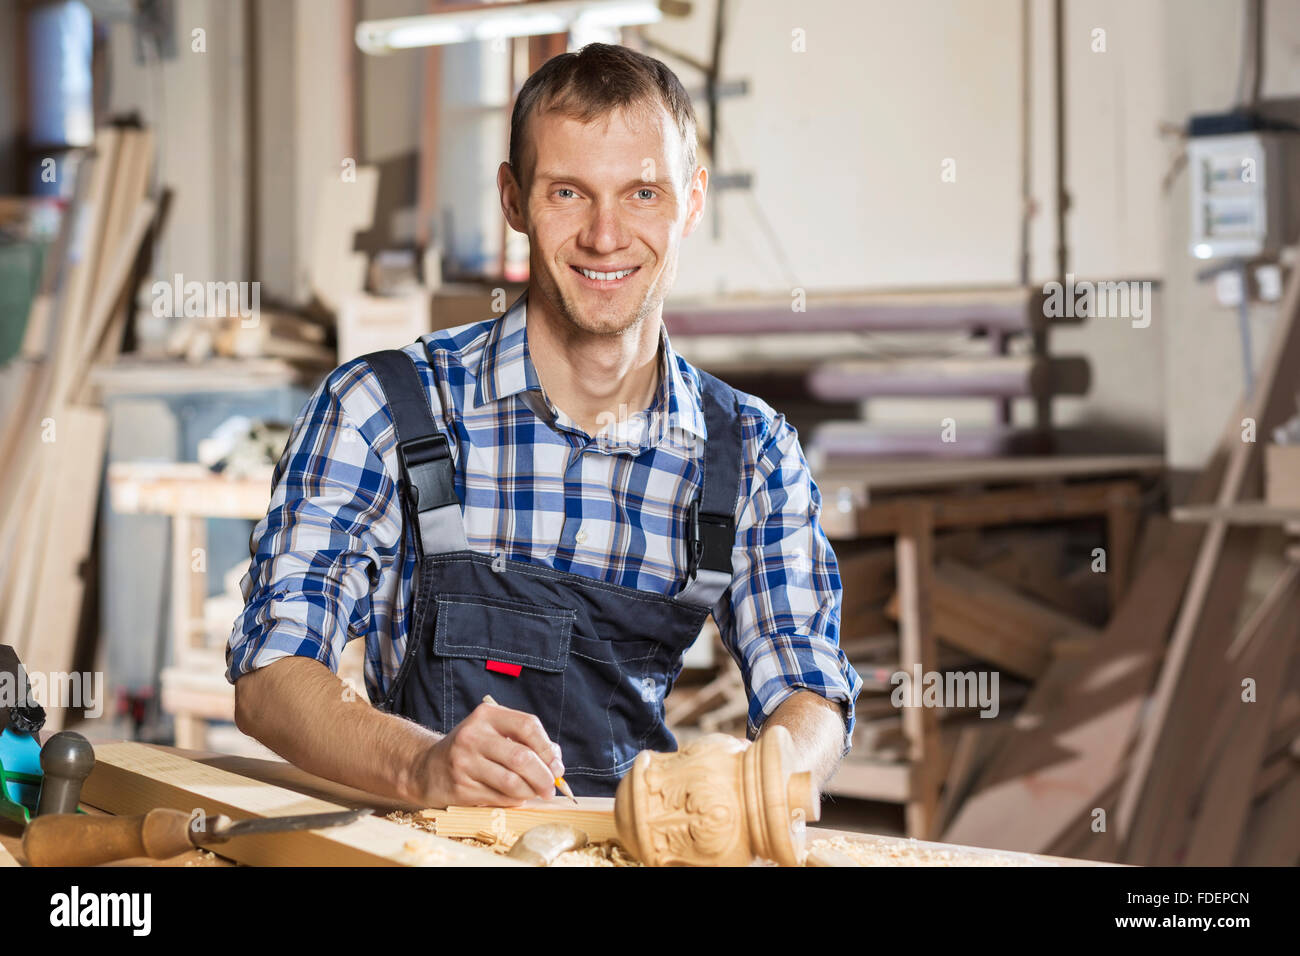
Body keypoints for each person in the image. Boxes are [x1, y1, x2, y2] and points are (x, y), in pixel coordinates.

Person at [227, 42, 861, 807]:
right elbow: (271, 676)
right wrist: (422, 765)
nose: (604, 235)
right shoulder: (381, 411)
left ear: (693, 201)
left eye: (643, 194)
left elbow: (810, 684)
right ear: (513, 199)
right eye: (568, 193)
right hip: (427, 855)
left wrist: (767, 782)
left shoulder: (749, 455)